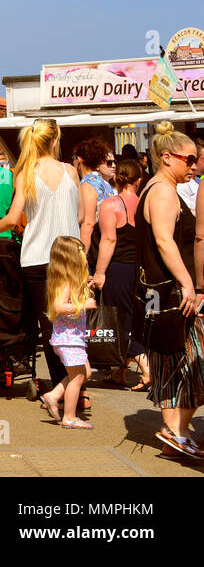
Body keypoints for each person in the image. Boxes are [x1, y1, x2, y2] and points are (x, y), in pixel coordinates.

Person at [0, 118, 80, 397]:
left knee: (49, 325)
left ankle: (63, 387)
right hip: (71, 256)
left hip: (37, 256)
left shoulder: (25, 173)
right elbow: (81, 215)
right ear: (55, 140)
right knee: (72, 321)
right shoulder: (71, 172)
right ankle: (73, 387)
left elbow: (12, 219)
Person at [135, 124, 204, 458]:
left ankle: (176, 429)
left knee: (171, 358)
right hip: (168, 292)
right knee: (187, 358)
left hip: (159, 292)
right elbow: (164, 241)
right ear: (166, 157)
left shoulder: (158, 187)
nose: (193, 165)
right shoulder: (162, 191)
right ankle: (175, 427)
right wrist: (188, 283)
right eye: (188, 159)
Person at [92, 156, 150, 390]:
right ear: (139, 179)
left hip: (116, 269)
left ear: (116, 178)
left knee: (118, 322)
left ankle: (147, 370)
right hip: (139, 269)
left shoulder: (110, 205)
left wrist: (99, 272)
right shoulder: (145, 202)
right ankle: (119, 372)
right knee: (132, 317)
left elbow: (108, 239)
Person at [37, 235, 97, 429]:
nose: (84, 256)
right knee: (77, 377)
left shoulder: (69, 281)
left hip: (72, 338)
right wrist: (82, 305)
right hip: (68, 338)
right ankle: (69, 416)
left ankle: (53, 396)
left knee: (84, 372)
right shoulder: (64, 282)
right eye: (80, 253)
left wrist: (85, 289)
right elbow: (58, 307)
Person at [74, 137, 115, 261]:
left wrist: (82, 257)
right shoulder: (104, 184)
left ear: (79, 160)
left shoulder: (88, 186)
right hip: (105, 245)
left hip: (94, 247)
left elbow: (88, 223)